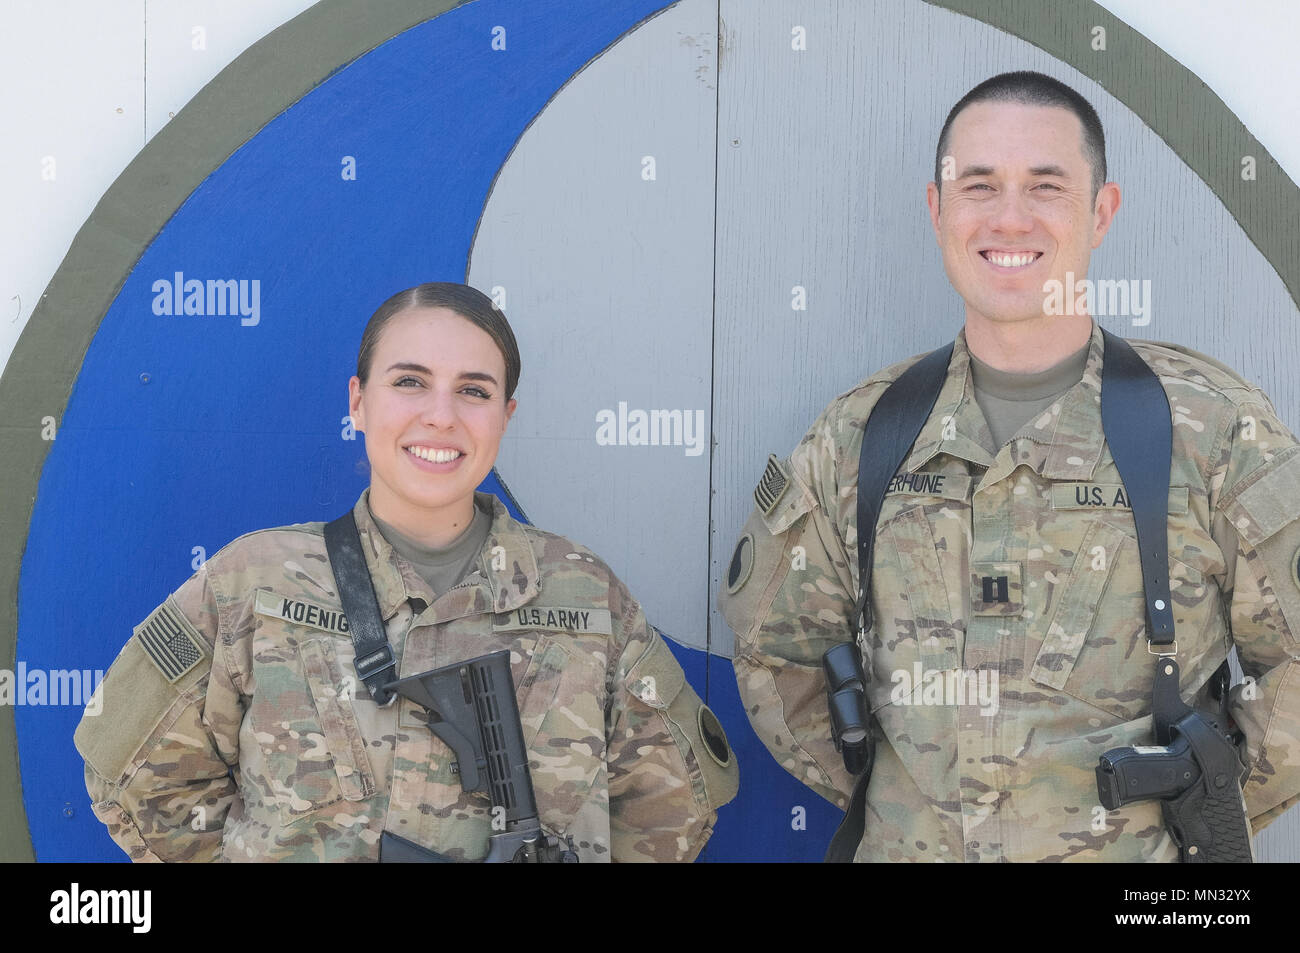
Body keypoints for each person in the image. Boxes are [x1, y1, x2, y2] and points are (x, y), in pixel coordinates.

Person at [720, 71, 1300, 862]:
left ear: (1102, 211)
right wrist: (916, 806)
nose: (1010, 216)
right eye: (979, 185)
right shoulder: (861, 435)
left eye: (1046, 186)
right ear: (938, 210)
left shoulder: (1210, 431)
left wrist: (1187, 812)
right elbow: (777, 651)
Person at [75, 282, 737, 862]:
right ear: (358, 401)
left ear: (505, 415)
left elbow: (674, 803)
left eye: (473, 391)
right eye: (409, 381)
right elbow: (136, 776)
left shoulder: (585, 595)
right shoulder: (253, 581)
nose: (440, 415)